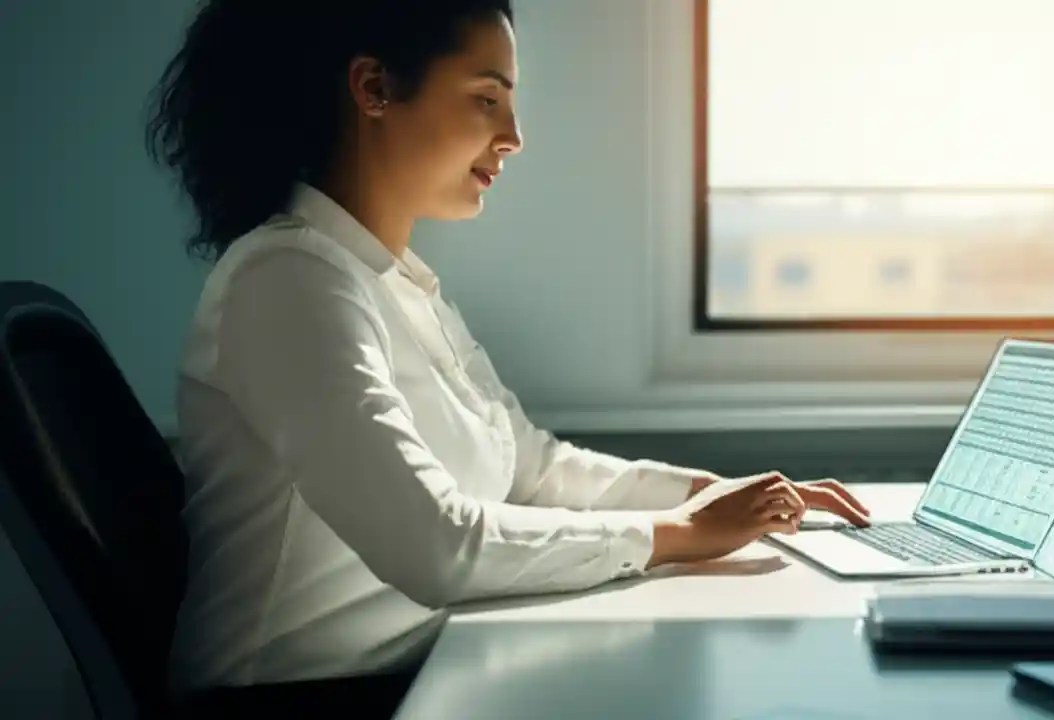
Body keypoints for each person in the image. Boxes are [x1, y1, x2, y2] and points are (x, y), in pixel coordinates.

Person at [147, 0, 871, 700]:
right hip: (289, 698)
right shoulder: (286, 281)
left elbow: (533, 471)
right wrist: (678, 533)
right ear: (373, 88)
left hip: (407, 677)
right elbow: (436, 546)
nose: (514, 136)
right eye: (486, 99)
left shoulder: (391, 282)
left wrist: (714, 495)